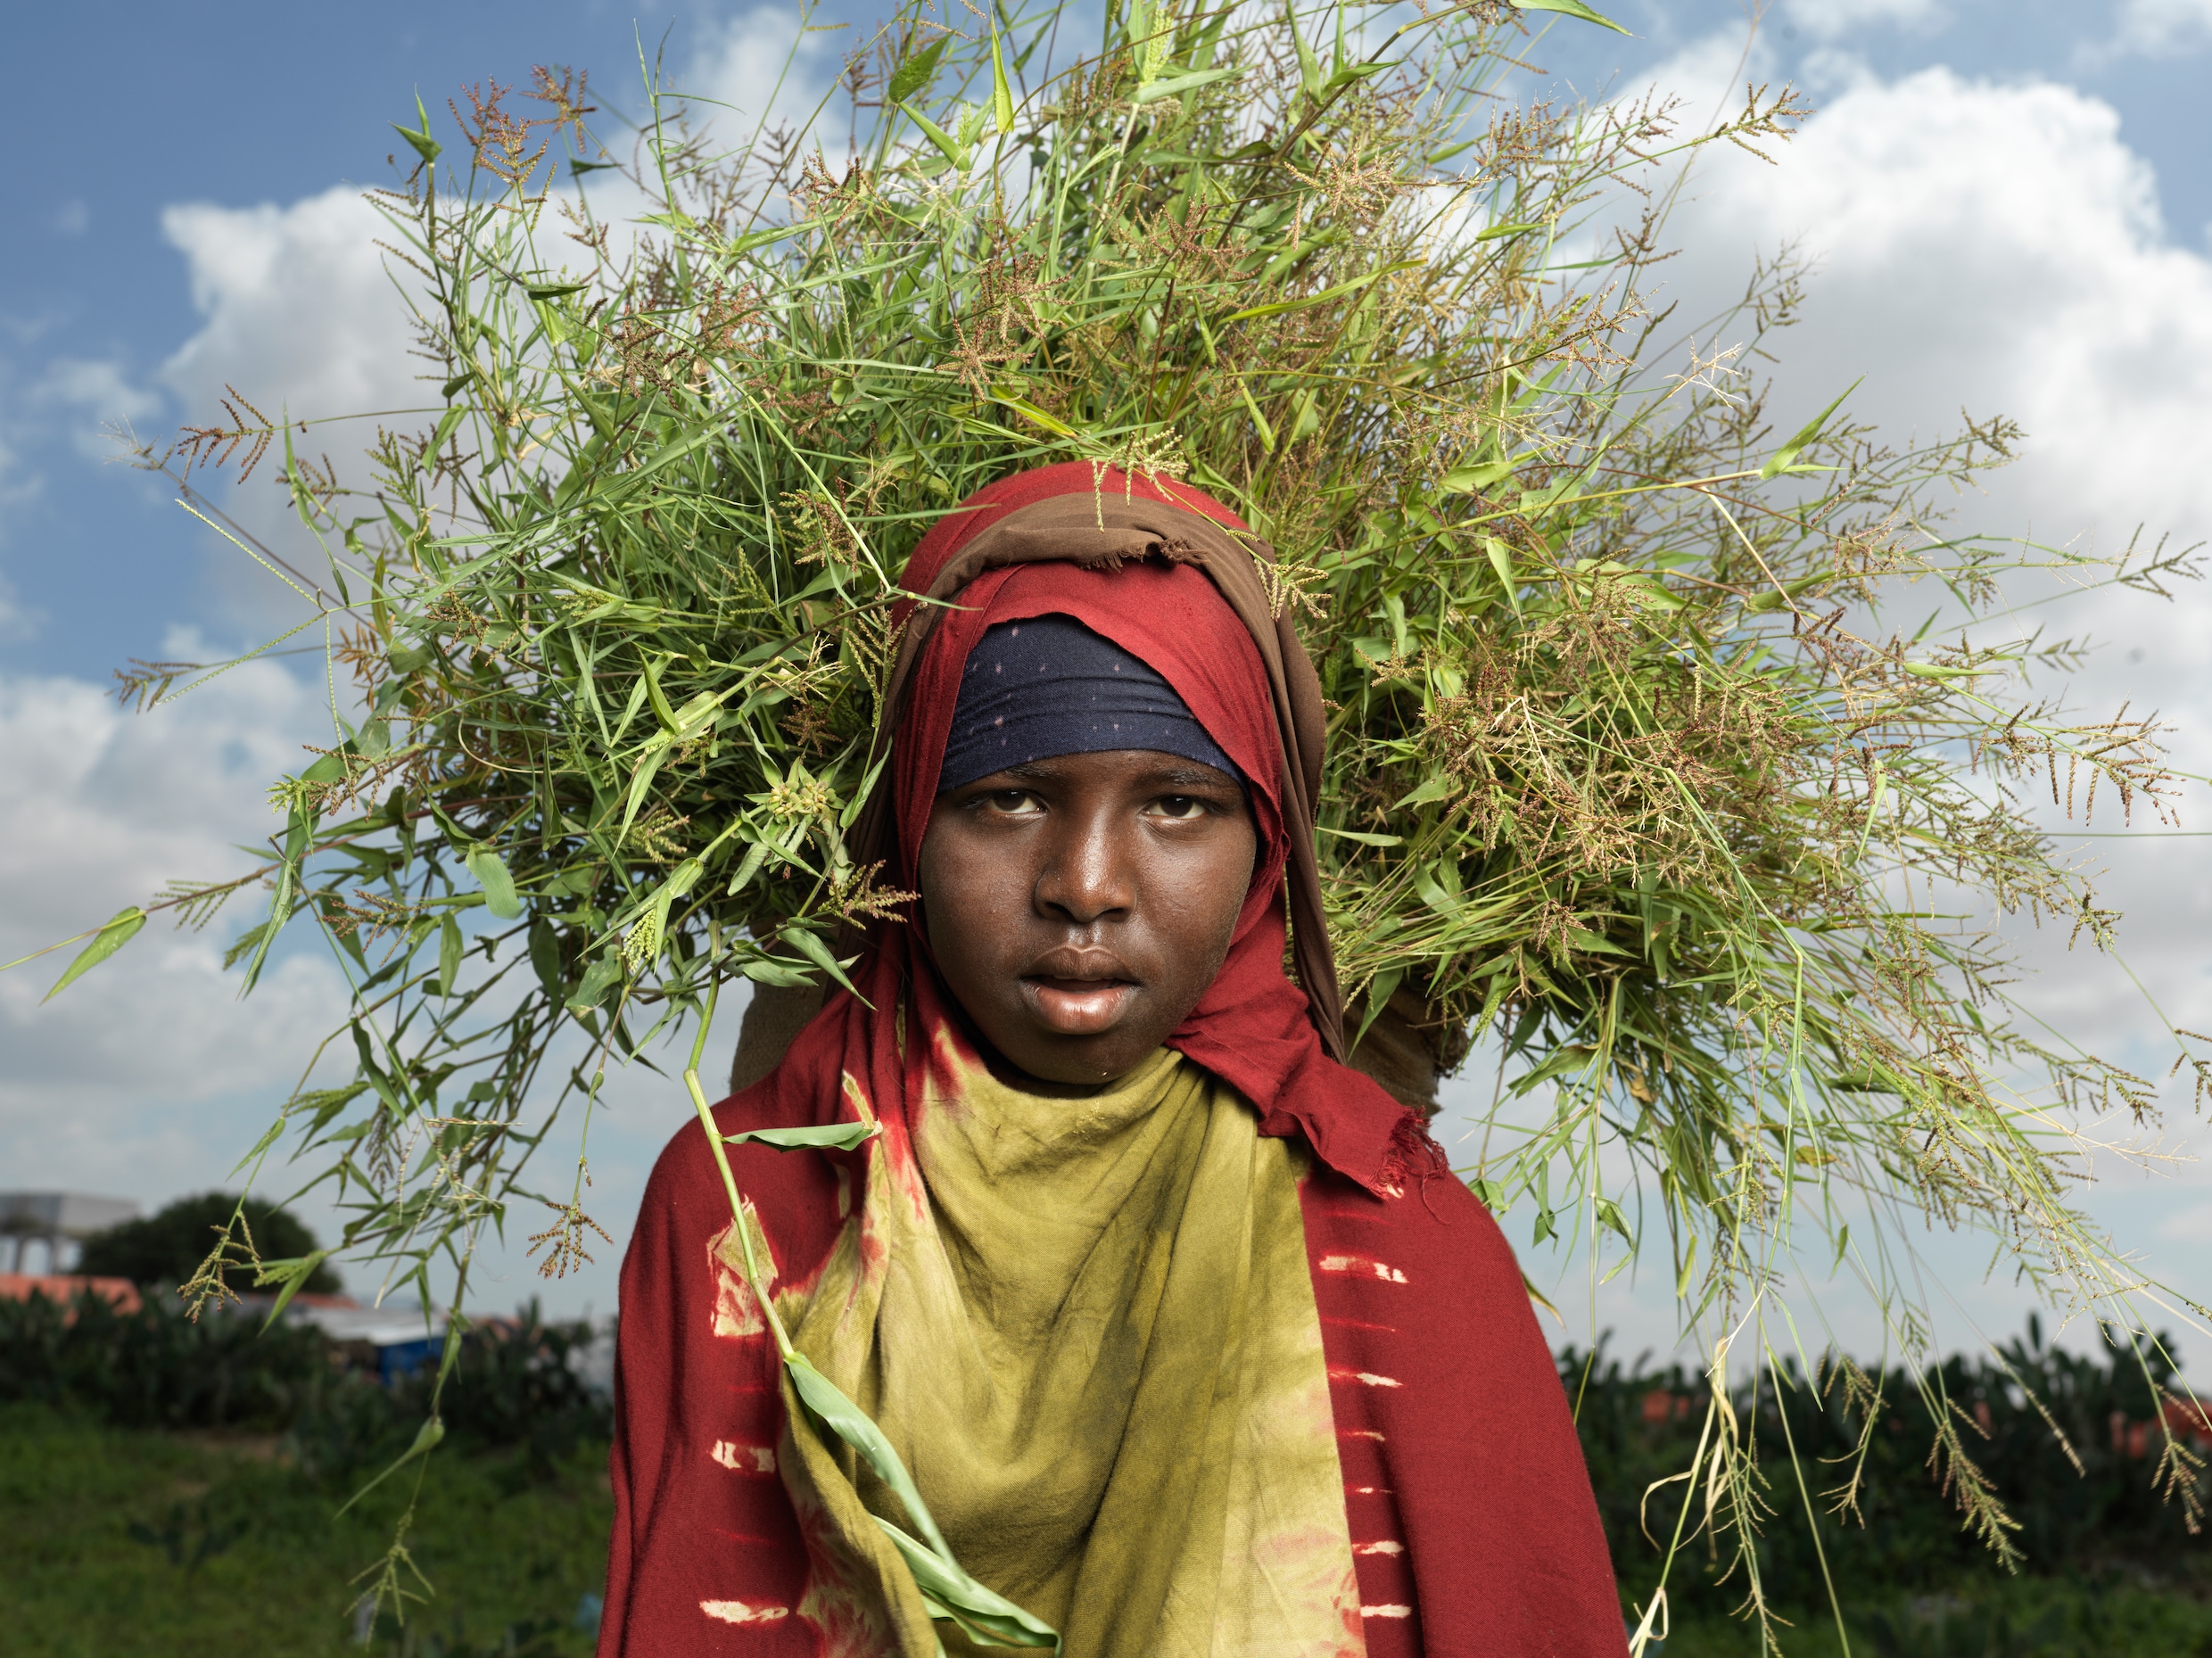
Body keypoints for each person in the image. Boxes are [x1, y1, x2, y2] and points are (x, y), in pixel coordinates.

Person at [599, 463, 1628, 1656]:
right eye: (1006, 798)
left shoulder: (1392, 1241)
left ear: (1267, 851)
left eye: (1179, 806)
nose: (1084, 885)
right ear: (906, 826)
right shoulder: (740, 1212)